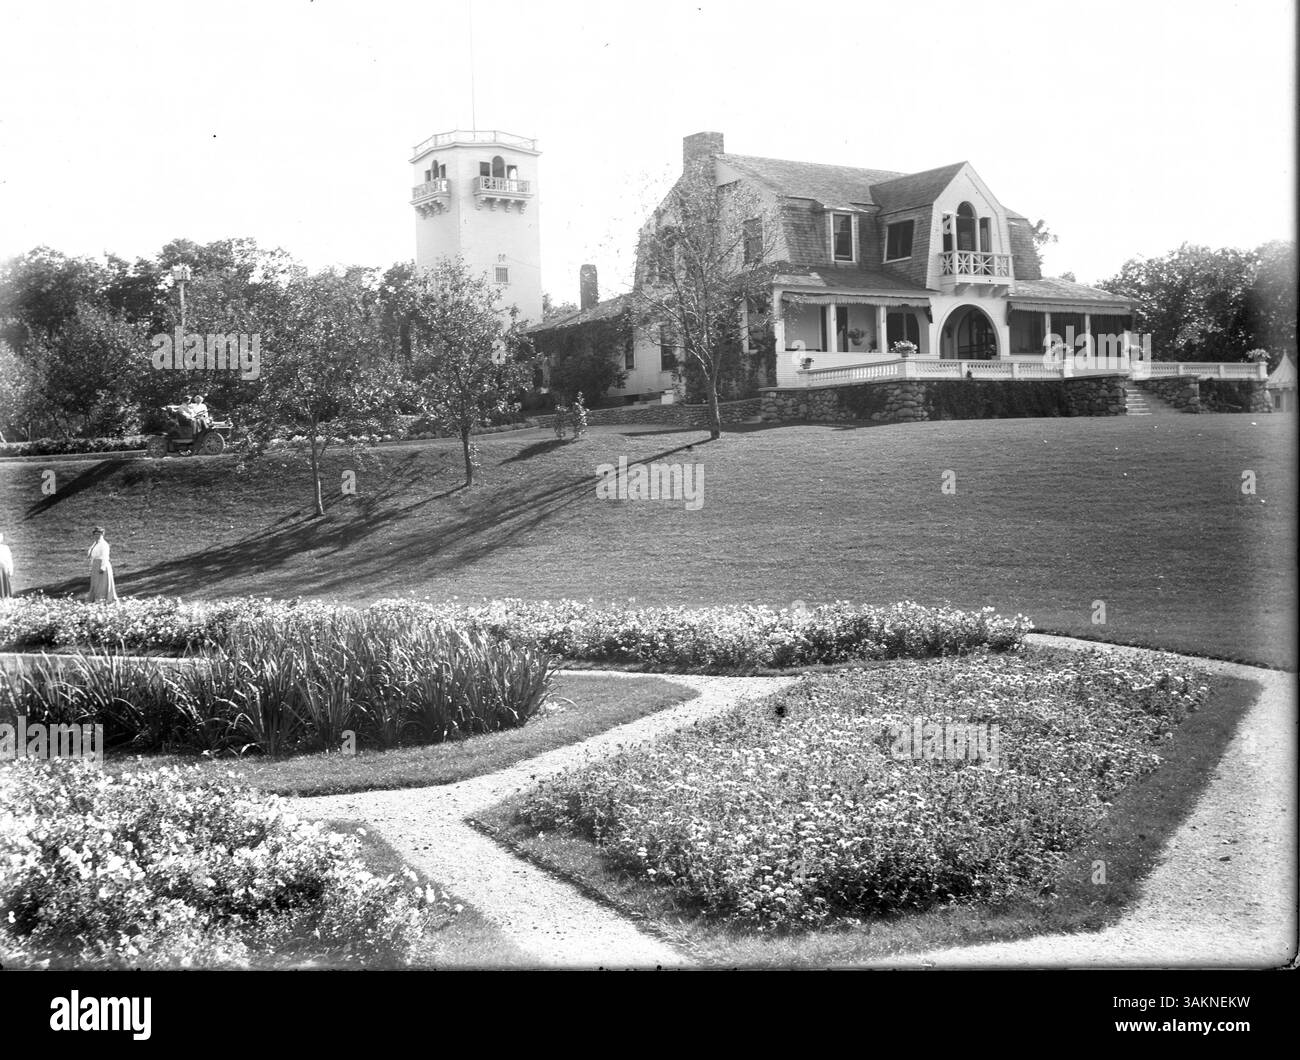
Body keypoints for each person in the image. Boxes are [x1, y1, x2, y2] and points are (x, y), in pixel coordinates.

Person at [87, 527, 117, 603]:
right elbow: (92, 556)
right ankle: (94, 599)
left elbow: (105, 556)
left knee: (102, 583)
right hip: (95, 564)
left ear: (102, 534)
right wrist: (91, 566)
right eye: (95, 534)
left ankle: (103, 599)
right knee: (95, 583)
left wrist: (103, 567)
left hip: (102, 564)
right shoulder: (94, 544)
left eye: (99, 534)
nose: (97, 536)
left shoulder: (104, 544)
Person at [0, 532, 13, 599]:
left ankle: (6, 596)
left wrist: (11, 570)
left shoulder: (6, 548)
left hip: (4, 568)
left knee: (4, 583)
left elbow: (9, 560)